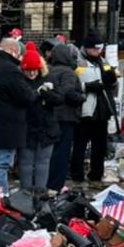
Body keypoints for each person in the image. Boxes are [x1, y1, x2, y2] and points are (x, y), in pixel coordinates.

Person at [0, 38, 36, 190]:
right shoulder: (10, 70)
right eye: (19, 55)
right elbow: (26, 96)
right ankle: (0, 198)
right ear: (13, 51)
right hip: (8, 127)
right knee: (1, 165)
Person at [71, 32, 117, 183]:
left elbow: (112, 84)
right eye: (95, 48)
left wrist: (112, 80)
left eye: (100, 48)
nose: (98, 51)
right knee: (80, 144)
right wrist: (86, 86)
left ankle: (96, 174)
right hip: (85, 109)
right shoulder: (77, 61)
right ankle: (77, 175)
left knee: (100, 145)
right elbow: (71, 84)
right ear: (87, 48)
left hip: (102, 108)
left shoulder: (103, 61)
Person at [45, 43, 86, 192]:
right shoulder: (68, 72)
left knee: (50, 152)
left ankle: (47, 182)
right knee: (62, 152)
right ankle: (56, 184)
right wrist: (81, 97)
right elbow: (67, 92)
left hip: (50, 115)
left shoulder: (48, 70)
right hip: (66, 116)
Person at [20, 43, 60, 191]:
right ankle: (26, 192)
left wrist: (48, 94)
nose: (31, 73)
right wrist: (38, 94)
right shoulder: (19, 80)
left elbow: (59, 99)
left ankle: (40, 192)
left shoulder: (49, 78)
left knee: (43, 161)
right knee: (26, 161)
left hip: (46, 126)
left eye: (34, 70)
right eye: (28, 70)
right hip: (26, 126)